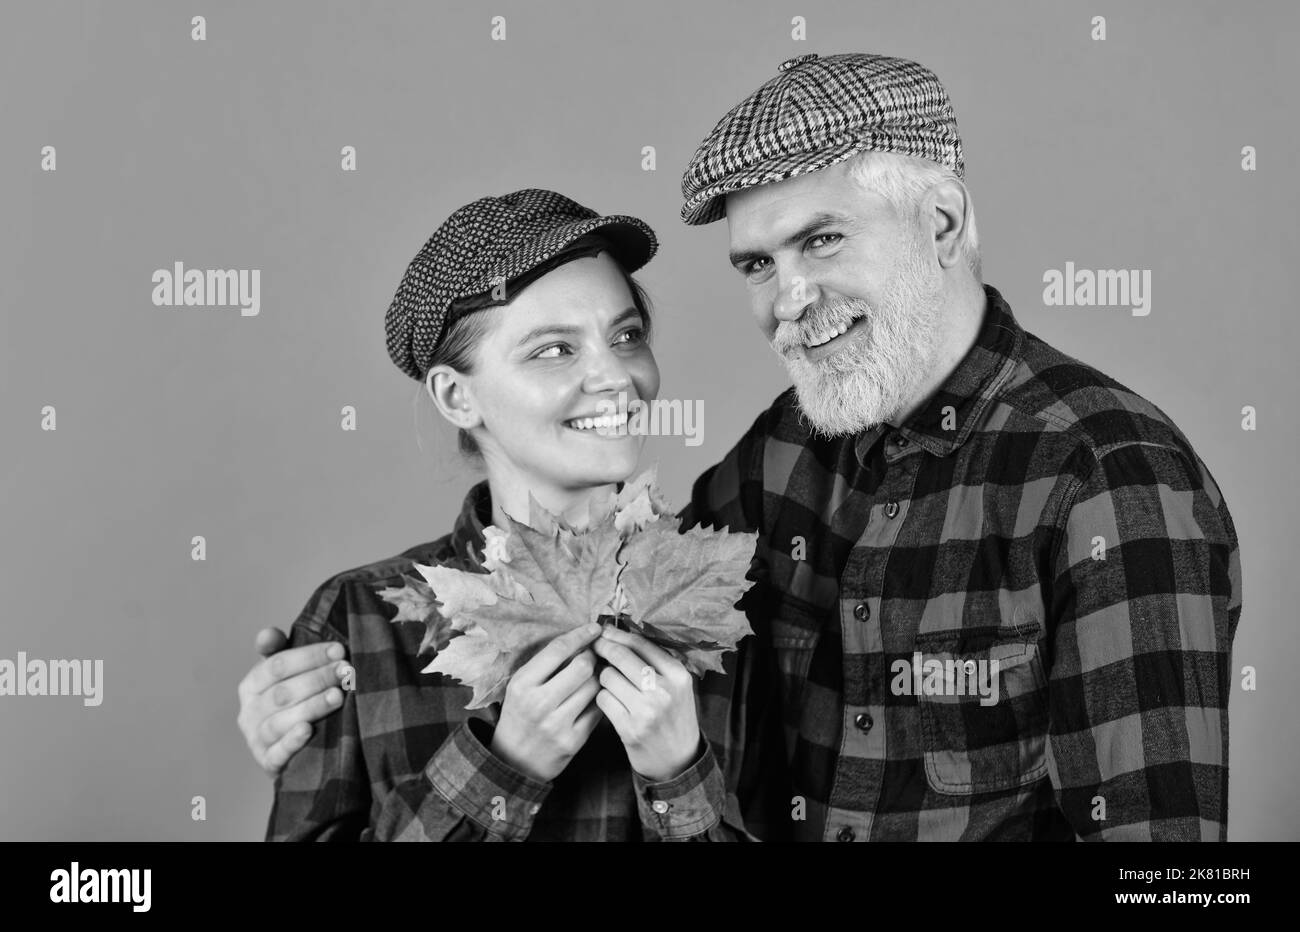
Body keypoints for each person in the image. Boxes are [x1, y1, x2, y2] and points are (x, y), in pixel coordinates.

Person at [243, 52, 1242, 841]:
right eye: (758, 263)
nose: (790, 300)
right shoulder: (782, 456)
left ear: (941, 220)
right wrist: (301, 702)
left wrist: (673, 773)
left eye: (823, 240)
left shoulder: (1106, 475)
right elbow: (618, 560)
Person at [258, 188, 780, 841]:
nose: (616, 376)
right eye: (555, 349)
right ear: (456, 396)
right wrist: (502, 767)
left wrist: (679, 777)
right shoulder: (358, 625)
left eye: (626, 336)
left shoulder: (725, 609)